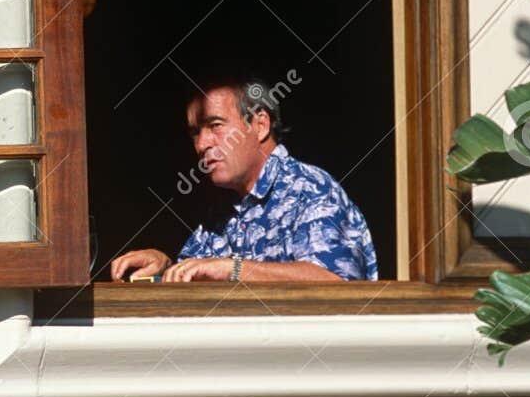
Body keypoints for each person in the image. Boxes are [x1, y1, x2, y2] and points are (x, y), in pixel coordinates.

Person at [110, 71, 377, 284]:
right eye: (195, 133)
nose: (202, 143)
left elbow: (337, 280)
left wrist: (234, 269)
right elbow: (201, 274)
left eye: (215, 126)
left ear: (260, 125)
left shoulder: (310, 188)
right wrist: (166, 267)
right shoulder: (223, 209)